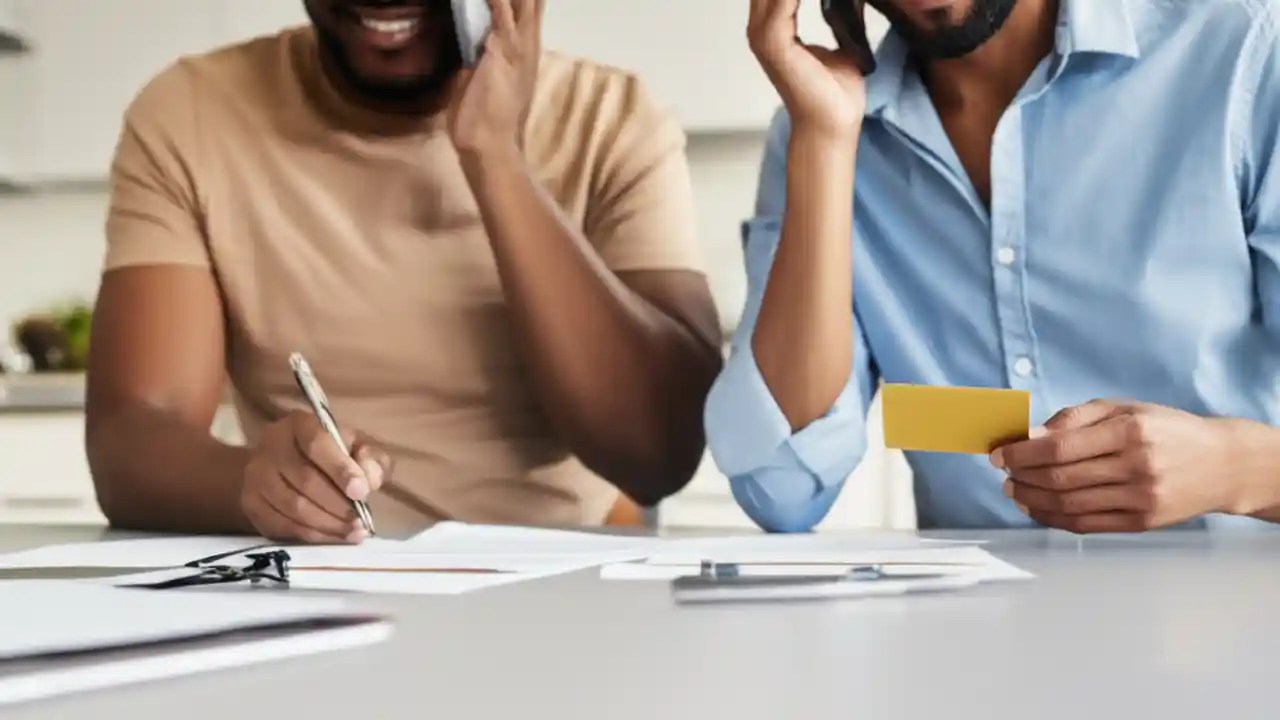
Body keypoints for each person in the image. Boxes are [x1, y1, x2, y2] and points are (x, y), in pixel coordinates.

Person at [86, 0, 722, 543]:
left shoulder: (612, 120)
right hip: (319, 595)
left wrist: (494, 156)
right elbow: (131, 440)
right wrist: (252, 485)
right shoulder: (190, 113)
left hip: (559, 600)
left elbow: (657, 454)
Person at [706, 0, 1280, 533]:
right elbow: (780, 489)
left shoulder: (1244, 53)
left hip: (1233, 626)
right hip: (970, 632)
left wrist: (1235, 469)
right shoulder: (822, 127)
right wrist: (825, 141)